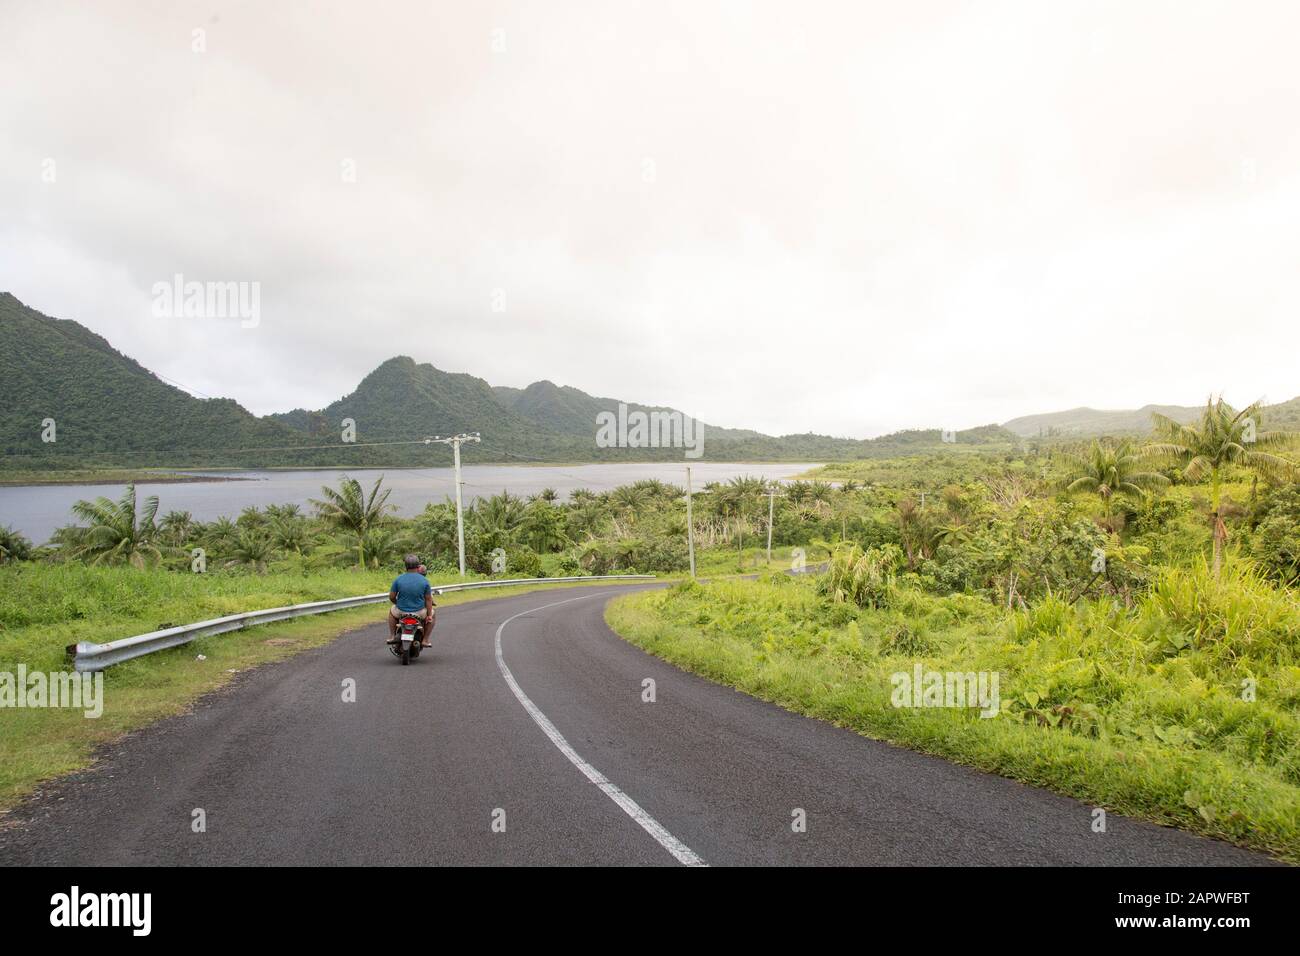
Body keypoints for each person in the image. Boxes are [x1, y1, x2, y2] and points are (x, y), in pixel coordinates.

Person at [388, 554, 435, 648]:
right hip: (419, 612)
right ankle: (425, 640)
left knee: (392, 611)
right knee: (433, 614)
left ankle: (392, 636)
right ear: (418, 566)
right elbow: (429, 600)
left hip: (401, 611)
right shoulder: (424, 581)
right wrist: (429, 615)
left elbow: (392, 597)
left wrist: (398, 603)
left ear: (405, 566)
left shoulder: (398, 579)